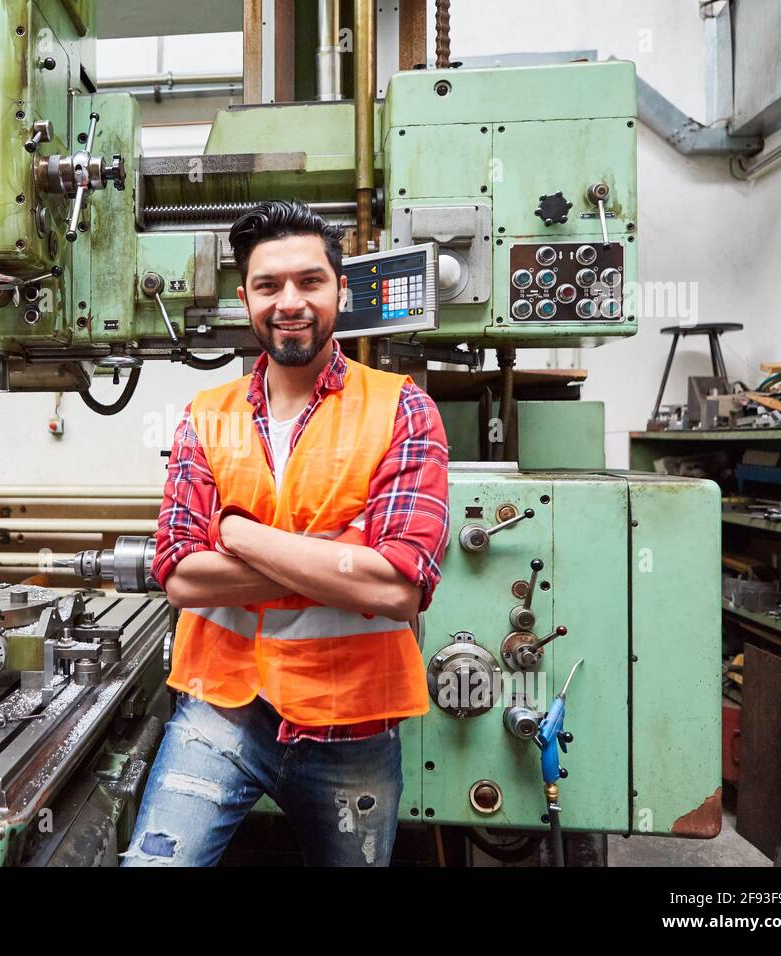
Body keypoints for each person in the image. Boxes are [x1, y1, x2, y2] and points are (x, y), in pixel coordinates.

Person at [120, 199, 450, 867]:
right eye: (269, 286)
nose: (289, 302)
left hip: (351, 725)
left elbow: (399, 589)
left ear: (340, 290)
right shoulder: (207, 416)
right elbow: (180, 575)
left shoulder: (400, 406)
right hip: (222, 714)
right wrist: (343, 555)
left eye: (309, 281)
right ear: (246, 299)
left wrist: (238, 535)